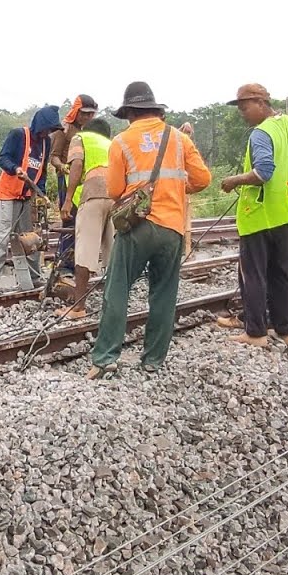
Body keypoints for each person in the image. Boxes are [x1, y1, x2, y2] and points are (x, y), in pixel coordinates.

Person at [87, 81, 211, 379]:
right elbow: (203, 179)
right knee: (164, 294)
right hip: (172, 227)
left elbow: (116, 189)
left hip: (137, 225)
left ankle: (106, 358)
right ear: (156, 110)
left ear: (129, 112)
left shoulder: (121, 141)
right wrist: (177, 190)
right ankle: (153, 360)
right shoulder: (180, 139)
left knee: (118, 289)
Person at [218, 83, 288, 348]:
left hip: (260, 214)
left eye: (244, 107)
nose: (242, 114)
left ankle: (256, 332)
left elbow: (263, 172)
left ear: (261, 103)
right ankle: (286, 330)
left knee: (254, 274)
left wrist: (233, 181)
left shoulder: (260, 133)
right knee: (282, 273)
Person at [0, 105, 62, 294]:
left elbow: (41, 172)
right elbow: (3, 158)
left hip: (27, 197)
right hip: (8, 195)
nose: (47, 133)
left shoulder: (45, 143)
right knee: (0, 238)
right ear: (39, 124)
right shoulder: (18, 135)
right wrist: (15, 168)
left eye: (50, 131)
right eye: (46, 129)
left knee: (30, 239)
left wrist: (40, 194)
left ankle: (34, 278)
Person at [57, 118, 114, 318]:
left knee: (85, 252)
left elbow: (77, 165)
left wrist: (67, 199)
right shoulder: (111, 144)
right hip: (117, 197)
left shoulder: (80, 138)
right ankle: (114, 305)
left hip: (92, 196)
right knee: (113, 253)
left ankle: (79, 308)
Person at [50, 95, 99, 210]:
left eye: (90, 114)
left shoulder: (90, 130)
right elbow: (54, 157)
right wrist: (62, 167)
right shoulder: (64, 129)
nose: (87, 117)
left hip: (86, 179)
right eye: (84, 113)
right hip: (66, 179)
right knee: (70, 214)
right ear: (76, 112)